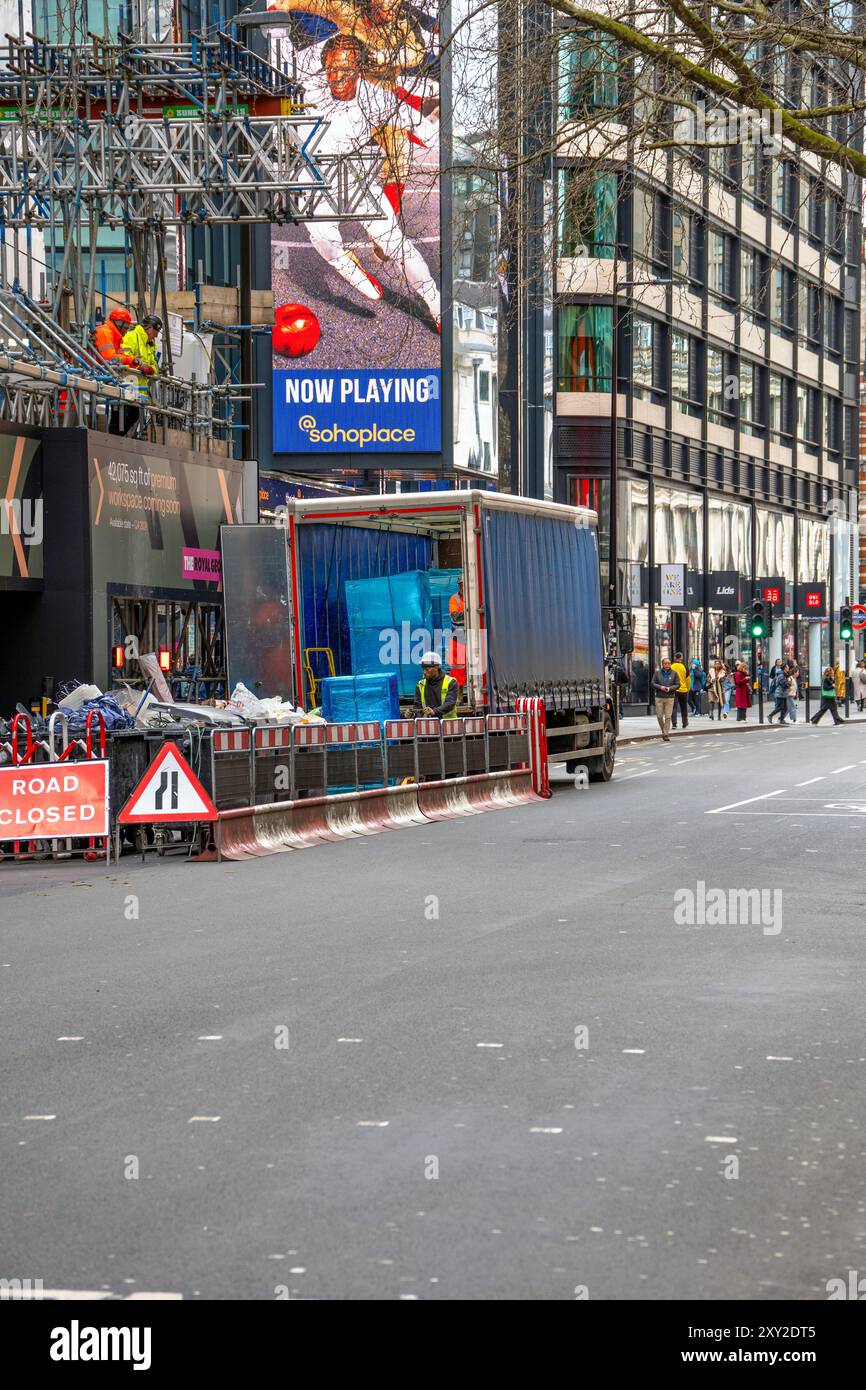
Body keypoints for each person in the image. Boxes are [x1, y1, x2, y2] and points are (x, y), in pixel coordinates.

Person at [292, 34, 441, 329]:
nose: (337, 77)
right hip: (313, 176)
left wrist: (449, 149)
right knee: (324, 240)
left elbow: (422, 128)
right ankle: (352, 269)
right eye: (331, 69)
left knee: (396, 243)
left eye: (345, 70)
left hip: (356, 178)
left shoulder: (376, 97)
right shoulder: (308, 88)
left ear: (359, 69)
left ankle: (434, 302)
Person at [119, 313, 161, 400]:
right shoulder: (131, 336)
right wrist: (139, 366)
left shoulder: (149, 345)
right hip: (127, 388)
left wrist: (151, 369)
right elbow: (122, 357)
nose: (156, 336)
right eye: (155, 332)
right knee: (126, 412)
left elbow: (155, 367)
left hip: (140, 392)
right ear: (149, 328)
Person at [413, 651, 458, 718]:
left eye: (427, 669)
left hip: (448, 724)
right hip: (429, 725)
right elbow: (418, 707)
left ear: (436, 667)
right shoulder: (420, 685)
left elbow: (450, 704)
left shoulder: (451, 682)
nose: (424, 672)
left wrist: (434, 711)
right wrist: (413, 714)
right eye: (423, 669)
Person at [651, 656, 679, 741]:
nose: (667, 665)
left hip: (670, 697)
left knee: (668, 716)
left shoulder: (674, 673)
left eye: (669, 663)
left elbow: (678, 684)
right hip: (659, 697)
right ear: (662, 664)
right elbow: (652, 683)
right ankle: (664, 731)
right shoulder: (657, 673)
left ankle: (665, 734)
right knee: (659, 716)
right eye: (665, 663)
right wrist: (660, 687)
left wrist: (670, 688)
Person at [669, 651, 690, 729]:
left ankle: (674, 724)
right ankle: (685, 723)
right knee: (684, 707)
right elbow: (688, 680)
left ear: (675, 658)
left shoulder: (671, 667)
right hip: (683, 690)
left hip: (674, 690)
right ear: (681, 658)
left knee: (673, 707)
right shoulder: (685, 667)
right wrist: (687, 688)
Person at [767, 658, 787, 724]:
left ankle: (781, 719)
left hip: (783, 693)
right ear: (784, 668)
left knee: (785, 707)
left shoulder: (784, 674)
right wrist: (789, 682)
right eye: (787, 667)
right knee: (780, 707)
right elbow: (784, 684)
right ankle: (770, 715)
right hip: (780, 693)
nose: (788, 668)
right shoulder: (781, 675)